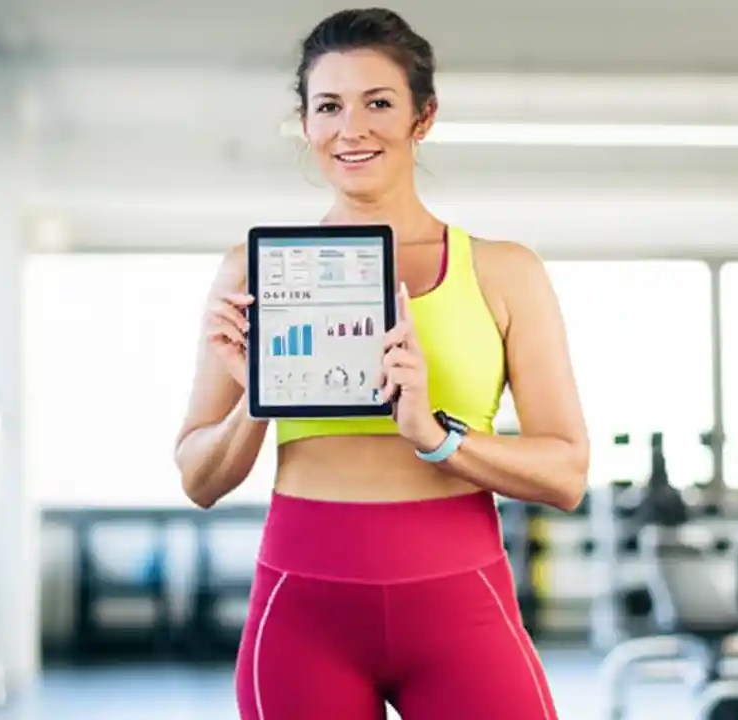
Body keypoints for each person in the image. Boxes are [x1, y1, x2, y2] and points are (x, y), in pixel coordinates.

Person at [174, 8, 589, 719]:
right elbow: (198, 478)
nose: (351, 129)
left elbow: (566, 473)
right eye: (328, 106)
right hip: (304, 614)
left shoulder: (504, 271)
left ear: (423, 118)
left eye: (378, 103)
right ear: (305, 124)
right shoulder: (253, 271)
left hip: (460, 604)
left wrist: (436, 436)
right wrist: (261, 395)